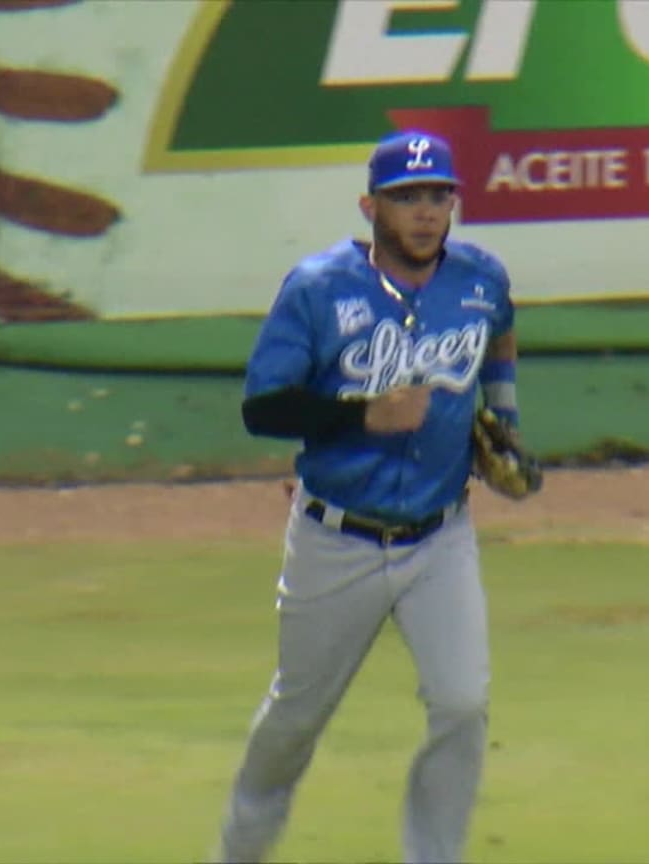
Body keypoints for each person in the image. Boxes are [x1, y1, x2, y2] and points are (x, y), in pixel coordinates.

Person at [212, 129, 526, 864]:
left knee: (461, 704)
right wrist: (361, 415)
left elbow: (502, 332)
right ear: (370, 207)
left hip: (440, 537)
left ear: (455, 203)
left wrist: (504, 419)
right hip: (335, 538)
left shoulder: (479, 279)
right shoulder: (318, 288)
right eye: (405, 197)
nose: (423, 212)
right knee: (295, 720)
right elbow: (263, 408)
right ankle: (236, 853)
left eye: (437, 196)